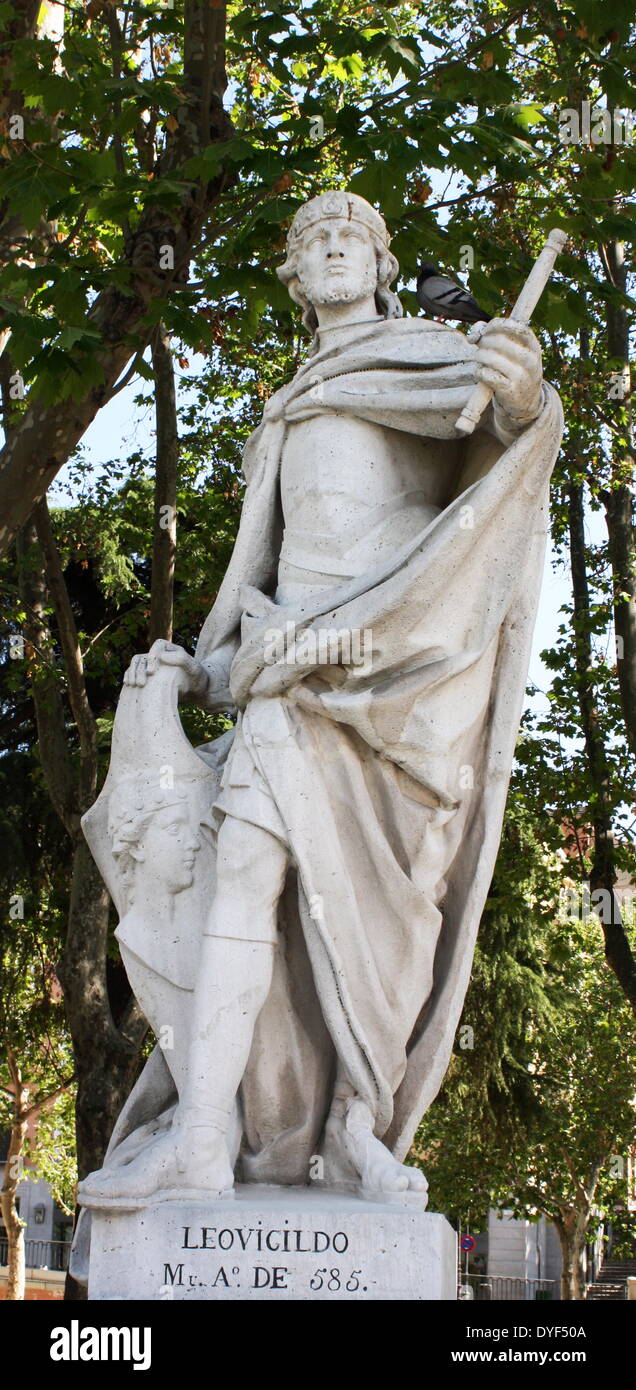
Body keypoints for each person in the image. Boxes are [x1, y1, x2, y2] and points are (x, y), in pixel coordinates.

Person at [79, 191, 562, 1205]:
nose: (333, 245)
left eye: (353, 235)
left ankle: (355, 1128)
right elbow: (259, 572)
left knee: (381, 936)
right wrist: (199, 670)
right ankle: (204, 1138)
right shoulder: (287, 408)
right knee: (245, 868)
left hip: (402, 707)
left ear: (382, 266)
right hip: (289, 676)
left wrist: (521, 394)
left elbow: (503, 453)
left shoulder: (432, 360)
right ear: (295, 280)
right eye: (312, 240)